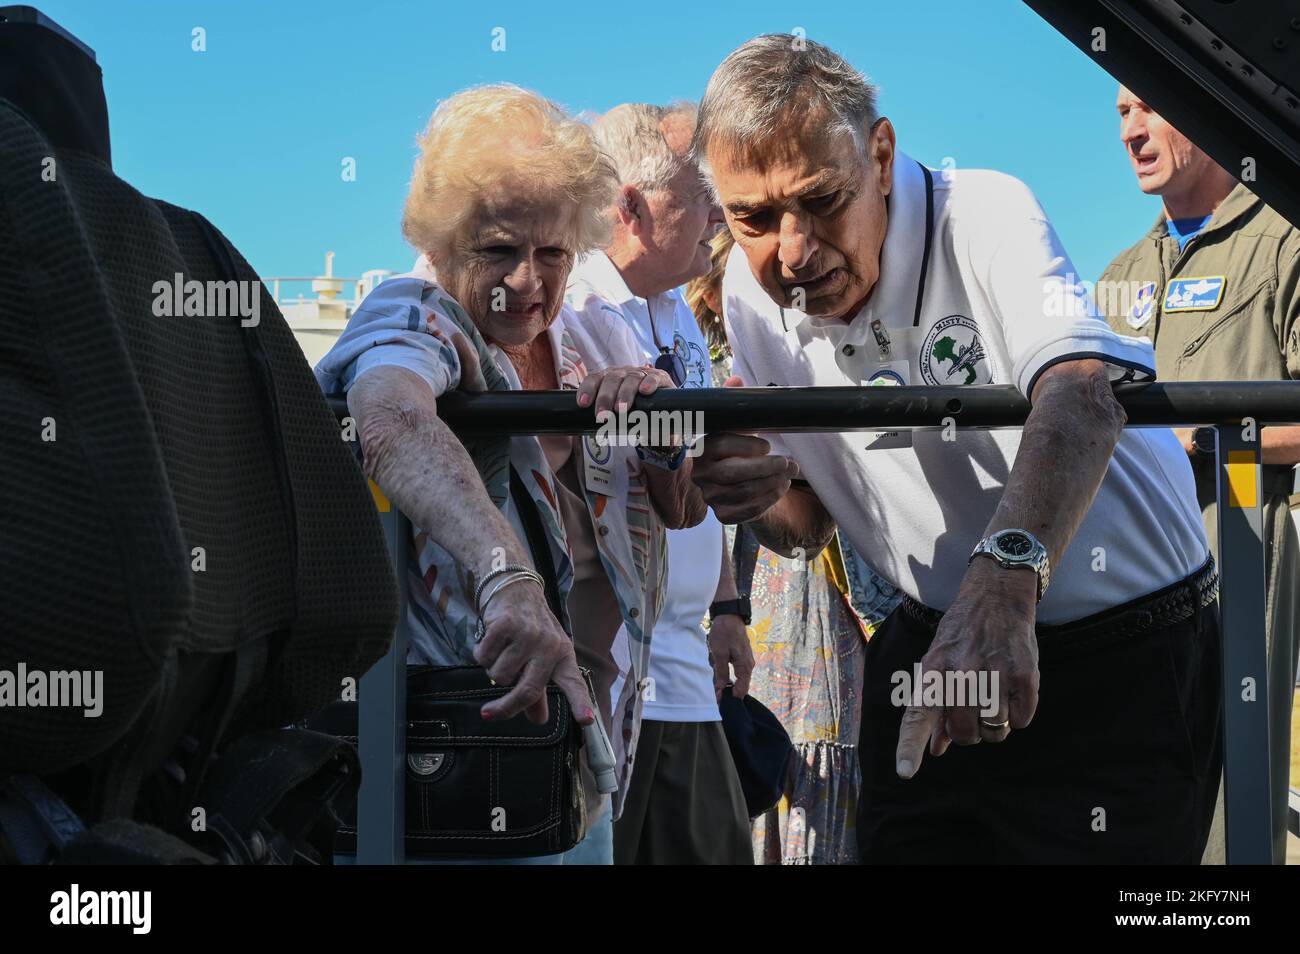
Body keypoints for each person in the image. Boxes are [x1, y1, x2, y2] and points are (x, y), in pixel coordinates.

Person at [689, 35, 1219, 864]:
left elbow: (1081, 390)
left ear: (884, 155)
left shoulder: (984, 211)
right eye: (751, 218)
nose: (791, 253)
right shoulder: (751, 302)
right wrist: (757, 493)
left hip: (1123, 655)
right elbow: (807, 525)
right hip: (932, 644)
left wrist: (1001, 586)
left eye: (823, 200)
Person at [314, 84, 703, 864]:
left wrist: (662, 427)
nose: (527, 280)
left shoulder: (597, 334)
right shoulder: (411, 312)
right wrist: (508, 580)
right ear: (447, 241)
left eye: (553, 253)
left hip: (582, 756)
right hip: (449, 758)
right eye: (498, 250)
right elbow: (393, 419)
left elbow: (681, 507)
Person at [1096, 86, 1300, 864]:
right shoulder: (1120, 270)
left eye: (1149, 107)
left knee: (1232, 800)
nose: (1130, 131)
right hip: (1123, 560)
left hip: (1239, 533)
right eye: (1120, 113)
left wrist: (1201, 441)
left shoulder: (1283, 239)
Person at [564, 102, 751, 864]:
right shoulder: (569, 307)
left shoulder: (676, 312)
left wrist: (729, 604)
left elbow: (694, 486)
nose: (718, 212)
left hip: (683, 669)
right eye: (698, 192)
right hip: (610, 679)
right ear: (630, 207)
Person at [687, 229, 903, 864]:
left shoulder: (830, 349)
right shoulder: (695, 359)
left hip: (819, 605)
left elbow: (810, 527)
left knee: (815, 767)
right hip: (751, 603)